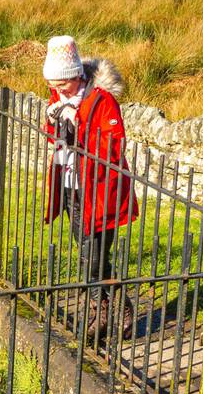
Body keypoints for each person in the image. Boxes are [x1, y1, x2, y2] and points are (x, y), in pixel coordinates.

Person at [41, 35, 137, 339]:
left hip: (99, 190)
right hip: (71, 184)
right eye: (53, 85)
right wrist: (54, 124)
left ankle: (109, 310)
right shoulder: (60, 98)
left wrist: (76, 123)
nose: (58, 90)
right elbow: (56, 141)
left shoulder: (102, 100)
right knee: (86, 251)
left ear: (76, 75)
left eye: (63, 84)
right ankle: (111, 308)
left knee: (93, 254)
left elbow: (111, 147)